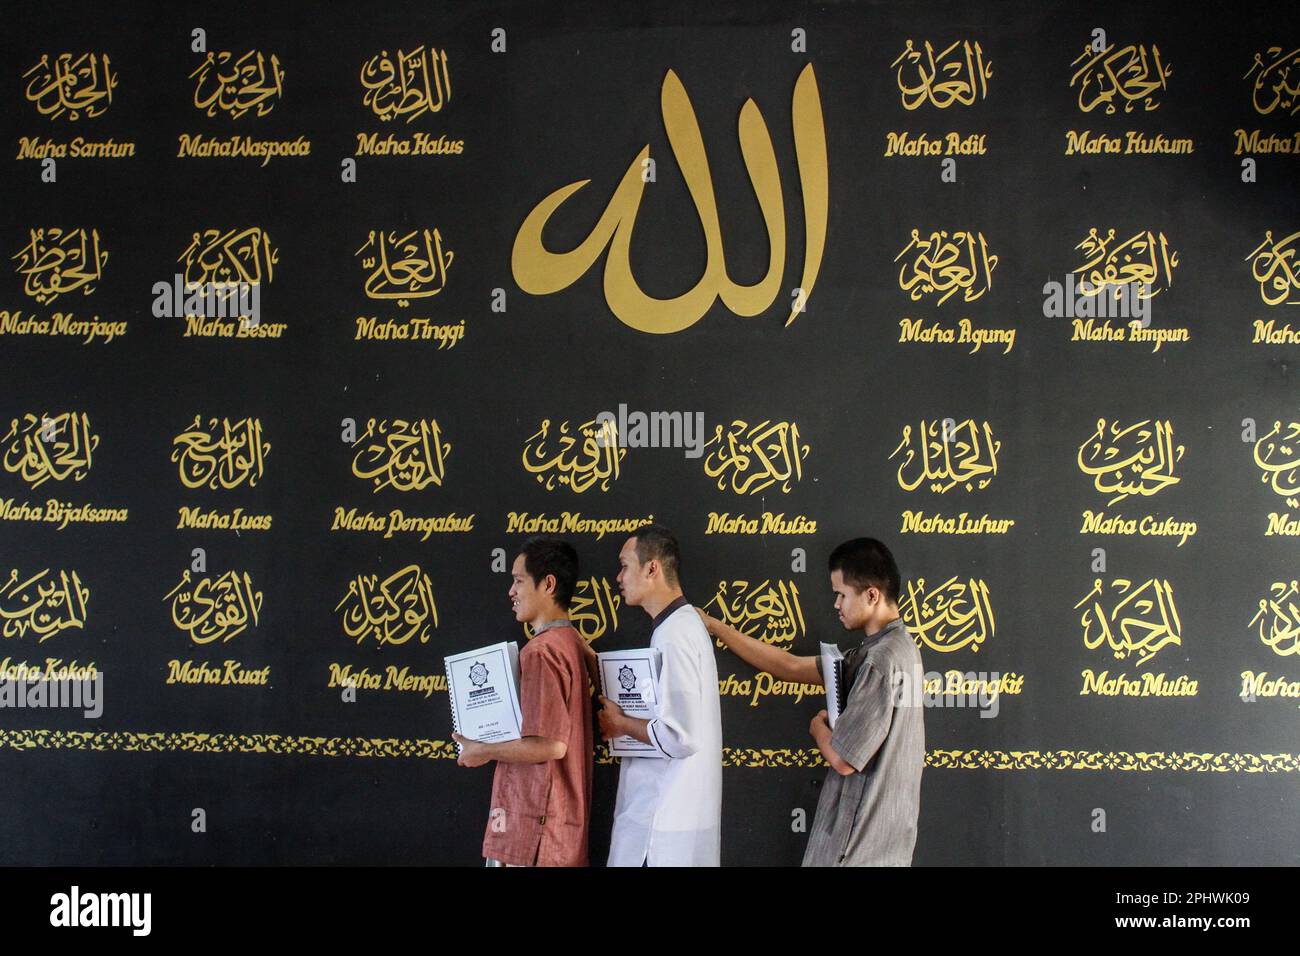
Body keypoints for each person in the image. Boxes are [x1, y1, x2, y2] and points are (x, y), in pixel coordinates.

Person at [697, 537, 924, 866]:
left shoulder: (880, 661)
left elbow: (845, 760)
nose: (836, 604)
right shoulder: (895, 649)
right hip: (883, 845)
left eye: (841, 594)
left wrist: (818, 729)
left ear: (872, 594)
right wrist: (717, 627)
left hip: (859, 847)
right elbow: (788, 666)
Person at [453, 536, 596, 867]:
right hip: (560, 833)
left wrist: (481, 750)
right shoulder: (572, 643)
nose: (511, 592)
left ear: (547, 584)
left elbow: (551, 746)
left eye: (518, 581)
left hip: (535, 832)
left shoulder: (542, 651)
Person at [598, 523, 722, 866]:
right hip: (671, 826)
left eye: (625, 566)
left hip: (662, 830)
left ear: (652, 567)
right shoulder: (677, 627)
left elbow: (680, 735)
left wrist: (621, 724)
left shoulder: (675, 633)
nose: (618, 577)